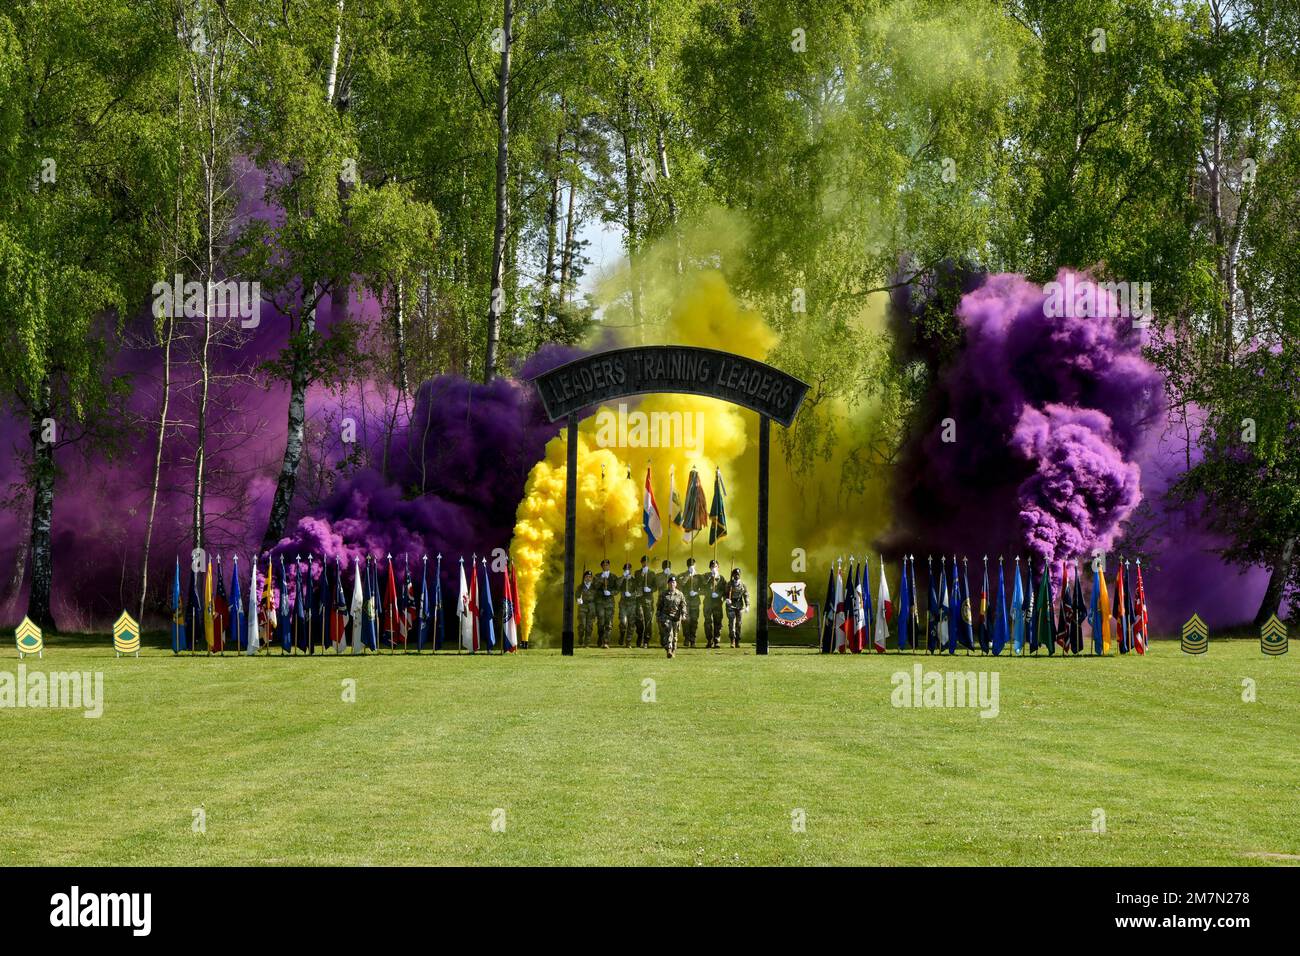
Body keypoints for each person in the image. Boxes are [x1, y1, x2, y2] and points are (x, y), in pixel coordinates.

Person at [657, 574, 687, 659]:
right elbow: (659, 606)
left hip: (676, 617)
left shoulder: (680, 594)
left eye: (673, 582)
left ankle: (673, 649)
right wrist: (658, 616)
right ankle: (669, 650)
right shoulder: (663, 594)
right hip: (666, 616)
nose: (672, 584)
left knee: (675, 635)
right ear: (668, 584)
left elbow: (683, 605)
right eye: (670, 583)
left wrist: (683, 614)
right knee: (669, 631)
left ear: (676, 584)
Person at [680, 556, 703, 648]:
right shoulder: (682, 575)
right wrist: (688, 574)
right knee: (685, 620)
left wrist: (697, 592)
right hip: (685, 602)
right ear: (687, 565)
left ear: (695, 565)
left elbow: (704, 589)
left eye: (692, 564)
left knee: (694, 621)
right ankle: (686, 638)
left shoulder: (699, 576)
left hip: (695, 602)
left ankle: (693, 639)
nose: (691, 566)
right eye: (689, 565)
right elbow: (681, 583)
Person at [702, 559, 725, 648]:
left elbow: (725, 590)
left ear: (718, 567)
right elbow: (702, 586)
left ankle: (716, 641)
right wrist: (710, 576)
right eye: (712, 567)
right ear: (710, 568)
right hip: (708, 602)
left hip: (717, 603)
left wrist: (718, 594)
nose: (714, 568)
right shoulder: (705, 576)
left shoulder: (721, 578)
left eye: (715, 566)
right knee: (708, 622)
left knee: (718, 622)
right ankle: (709, 640)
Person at [725, 567, 749, 648]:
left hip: (739, 605)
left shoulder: (743, 585)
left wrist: (747, 605)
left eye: (738, 574)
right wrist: (727, 599)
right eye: (735, 574)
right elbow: (725, 593)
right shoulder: (729, 584)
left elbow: (746, 595)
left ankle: (737, 641)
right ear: (733, 575)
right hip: (730, 605)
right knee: (731, 623)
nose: (737, 576)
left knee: (738, 624)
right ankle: (732, 640)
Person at [594, 558, 615, 648]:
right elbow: (595, 586)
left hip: (609, 603)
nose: (605, 566)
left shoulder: (613, 576)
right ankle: (600, 637)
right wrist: (601, 578)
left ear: (609, 566)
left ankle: (606, 641)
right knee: (601, 622)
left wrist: (610, 592)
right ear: (601, 566)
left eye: (607, 565)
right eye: (604, 565)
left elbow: (617, 589)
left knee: (609, 623)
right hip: (600, 602)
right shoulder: (597, 576)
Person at [636, 555, 655, 647]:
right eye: (644, 562)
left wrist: (650, 589)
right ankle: (640, 636)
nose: (645, 563)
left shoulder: (652, 573)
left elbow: (655, 587)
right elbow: (637, 584)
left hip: (649, 600)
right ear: (641, 563)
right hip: (639, 599)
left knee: (648, 620)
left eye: (647, 562)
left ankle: (646, 640)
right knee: (639, 619)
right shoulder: (637, 573)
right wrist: (642, 575)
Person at [617, 561, 637, 647]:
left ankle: (628, 641)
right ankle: (622, 635)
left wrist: (631, 594)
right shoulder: (621, 579)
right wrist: (623, 576)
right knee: (623, 622)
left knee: (631, 623)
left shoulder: (634, 580)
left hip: (632, 604)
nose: (627, 570)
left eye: (629, 569)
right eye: (626, 569)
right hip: (623, 604)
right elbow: (617, 585)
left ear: (631, 570)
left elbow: (639, 592)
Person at [655, 559, 673, 648]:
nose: (667, 568)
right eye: (665, 566)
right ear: (663, 567)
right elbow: (658, 585)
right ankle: (663, 639)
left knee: (671, 622)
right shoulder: (658, 576)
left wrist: (669, 576)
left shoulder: (673, 576)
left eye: (668, 566)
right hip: (661, 602)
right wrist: (665, 576)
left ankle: (669, 640)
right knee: (661, 621)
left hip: (671, 602)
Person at [575, 570, 596, 648]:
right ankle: (581, 637)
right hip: (582, 607)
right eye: (586, 576)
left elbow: (597, 598)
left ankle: (587, 643)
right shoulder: (580, 587)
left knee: (589, 626)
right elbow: (577, 596)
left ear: (591, 578)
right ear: (584, 578)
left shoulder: (594, 587)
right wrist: (578, 600)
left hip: (591, 607)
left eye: (590, 577)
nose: (588, 578)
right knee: (582, 625)